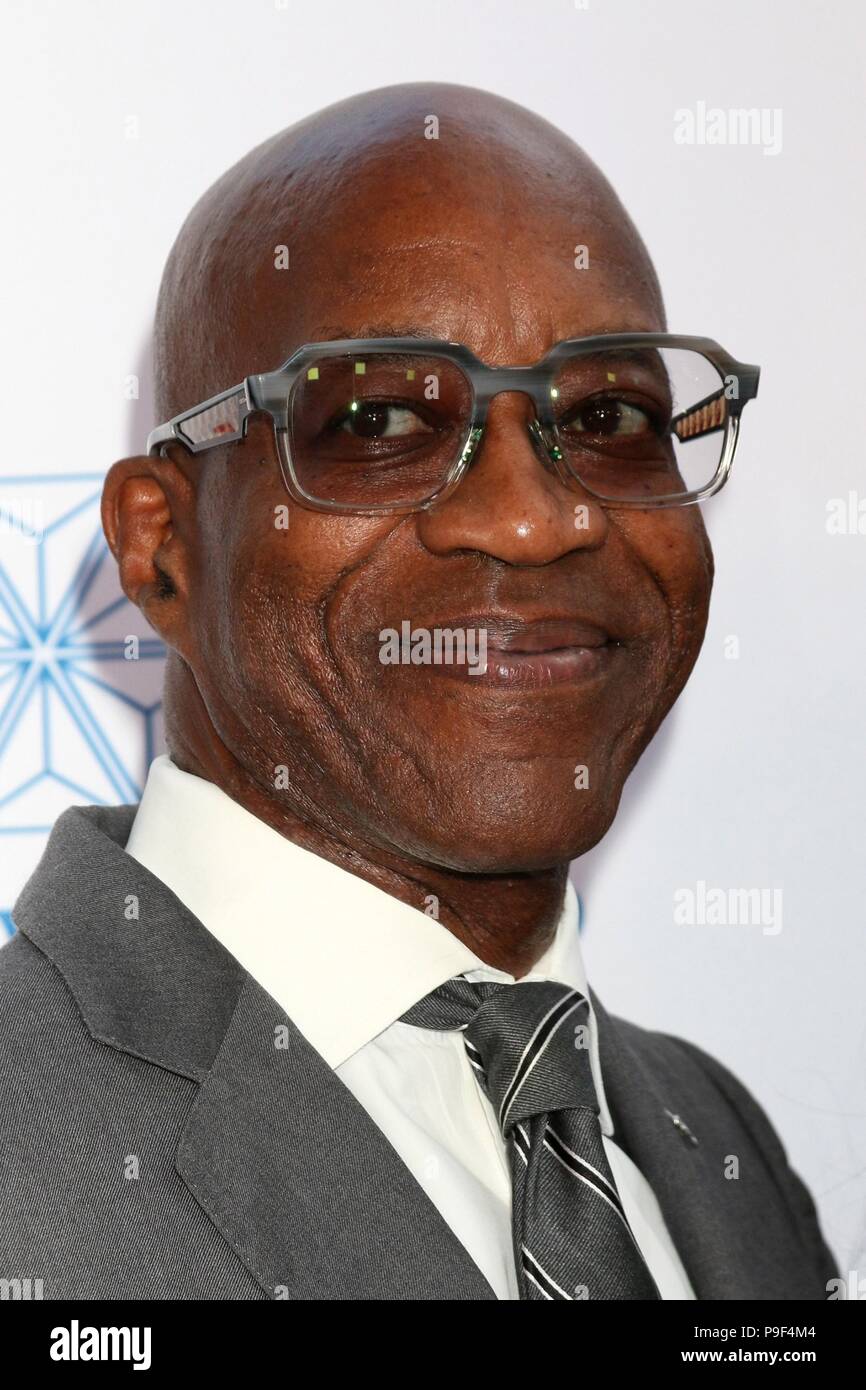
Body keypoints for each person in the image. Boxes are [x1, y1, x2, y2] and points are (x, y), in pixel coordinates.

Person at [0, 82, 834, 1300]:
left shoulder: (717, 1147)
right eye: (380, 417)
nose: (535, 516)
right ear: (159, 545)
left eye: (606, 413)